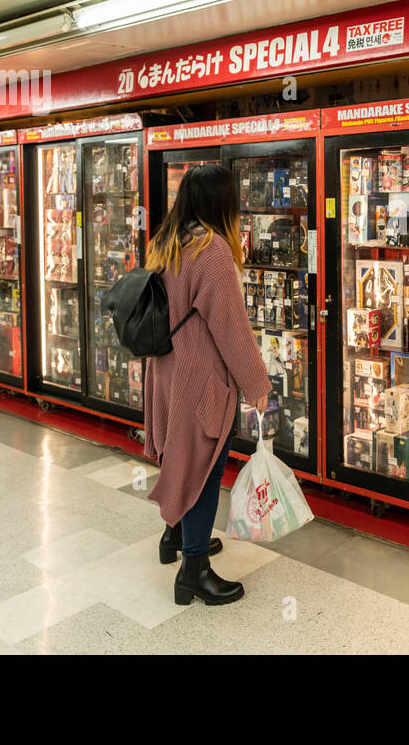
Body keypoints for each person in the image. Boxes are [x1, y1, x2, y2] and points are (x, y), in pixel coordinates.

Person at [144, 163, 273, 606]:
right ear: (223, 203)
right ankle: (194, 571)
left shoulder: (166, 241)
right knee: (202, 469)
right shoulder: (212, 250)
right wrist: (256, 381)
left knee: (178, 457)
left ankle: (173, 537)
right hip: (199, 380)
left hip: (165, 373)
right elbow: (231, 328)